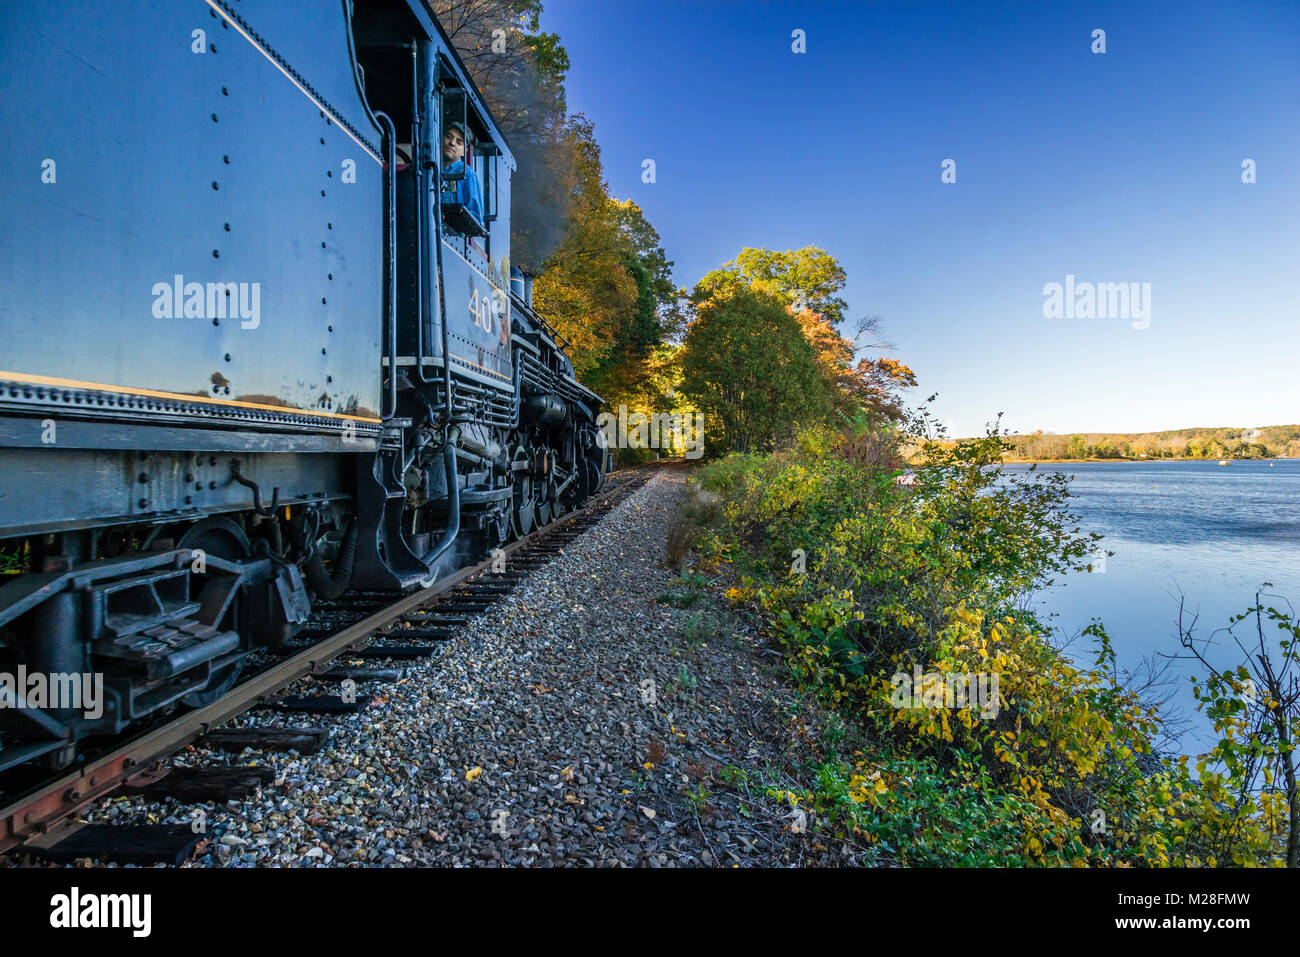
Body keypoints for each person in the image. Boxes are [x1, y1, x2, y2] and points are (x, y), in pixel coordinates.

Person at [440, 121, 484, 225]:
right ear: (441, 138)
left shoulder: (468, 174)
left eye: (459, 142)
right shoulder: (427, 166)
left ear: (465, 151)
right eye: (448, 136)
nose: (452, 143)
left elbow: (476, 219)